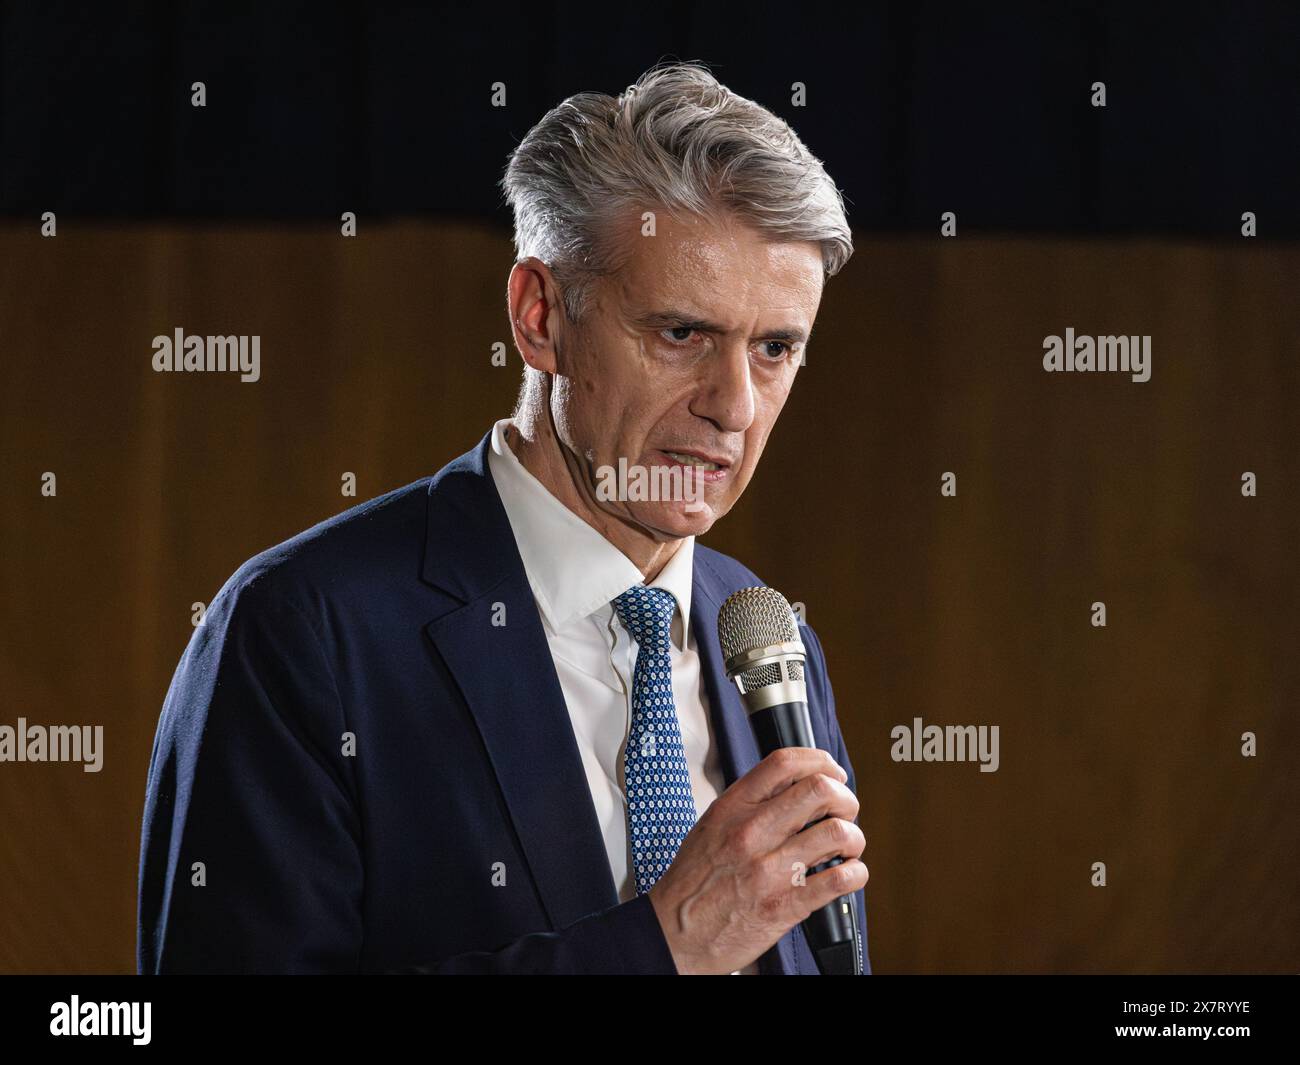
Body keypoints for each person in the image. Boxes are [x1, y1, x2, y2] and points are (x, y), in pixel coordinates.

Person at [137, 60, 870, 975]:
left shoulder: (760, 632)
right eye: (682, 334)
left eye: (774, 348)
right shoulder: (303, 629)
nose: (734, 405)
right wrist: (664, 945)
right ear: (539, 317)